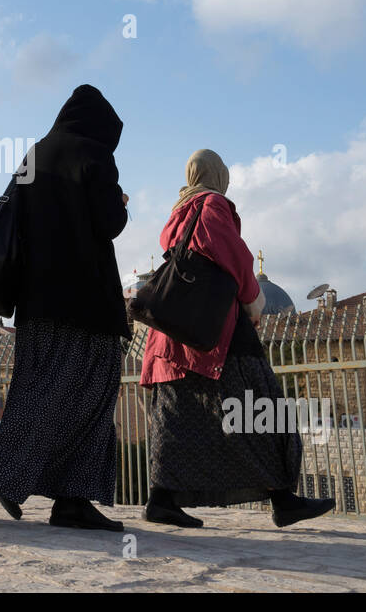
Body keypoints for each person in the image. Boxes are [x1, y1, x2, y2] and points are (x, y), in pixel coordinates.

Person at [139, 149, 334, 528]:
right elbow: (237, 260)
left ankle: (161, 499)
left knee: (177, 418)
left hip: (174, 338)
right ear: (217, 175)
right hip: (215, 335)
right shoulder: (212, 203)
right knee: (263, 407)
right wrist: (253, 303)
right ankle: (283, 499)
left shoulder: (177, 212)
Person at [0, 84, 130, 532]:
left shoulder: (35, 155)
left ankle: (36, 482)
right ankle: (59, 493)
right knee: (92, 399)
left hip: (37, 300)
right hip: (87, 302)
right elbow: (109, 222)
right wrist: (119, 204)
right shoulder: (96, 155)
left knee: (38, 389)